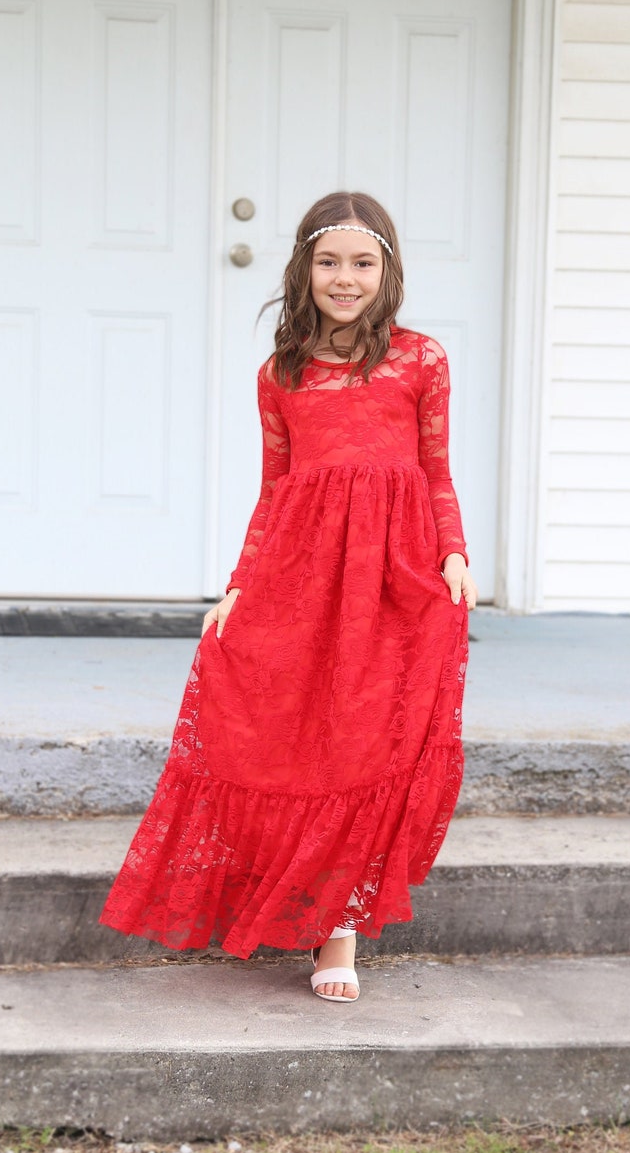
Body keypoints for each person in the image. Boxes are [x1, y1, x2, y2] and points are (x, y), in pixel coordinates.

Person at [100, 190, 478, 1001]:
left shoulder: (420, 359)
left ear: (389, 271)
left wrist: (453, 552)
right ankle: (281, 897)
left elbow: (436, 469)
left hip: (393, 573)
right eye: (330, 261)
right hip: (303, 573)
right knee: (285, 729)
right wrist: (240, 585)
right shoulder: (282, 372)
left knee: (362, 738)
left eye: (362, 263)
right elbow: (274, 490)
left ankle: (337, 937)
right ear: (305, 270)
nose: (346, 278)